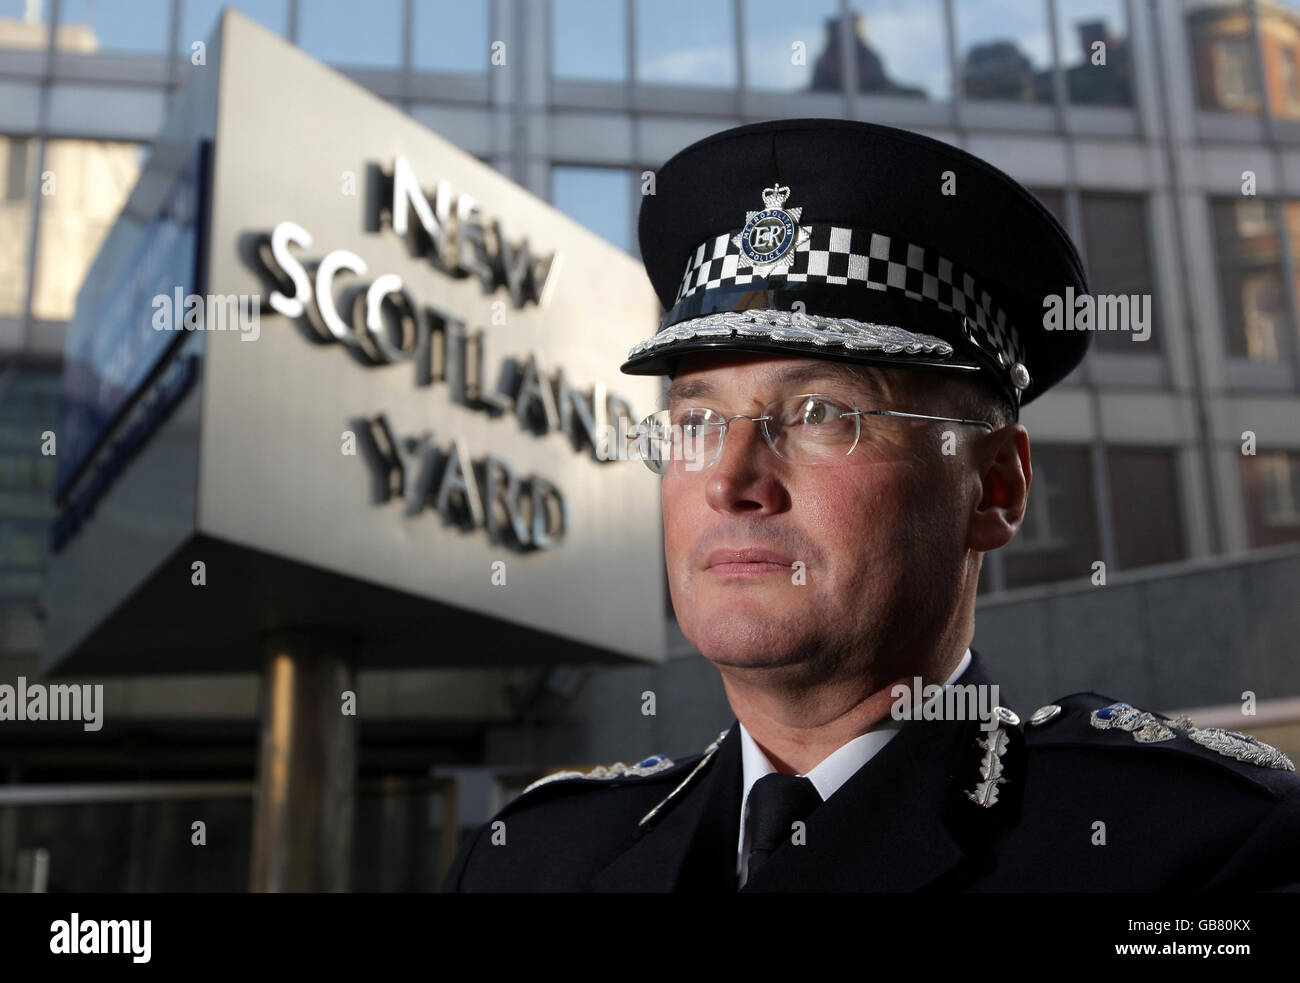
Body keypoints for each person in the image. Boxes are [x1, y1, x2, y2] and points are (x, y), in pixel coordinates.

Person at [442, 118, 1300, 892]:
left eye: (819, 413)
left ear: (993, 488)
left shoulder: (1198, 854)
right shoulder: (531, 859)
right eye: (696, 420)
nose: (730, 480)